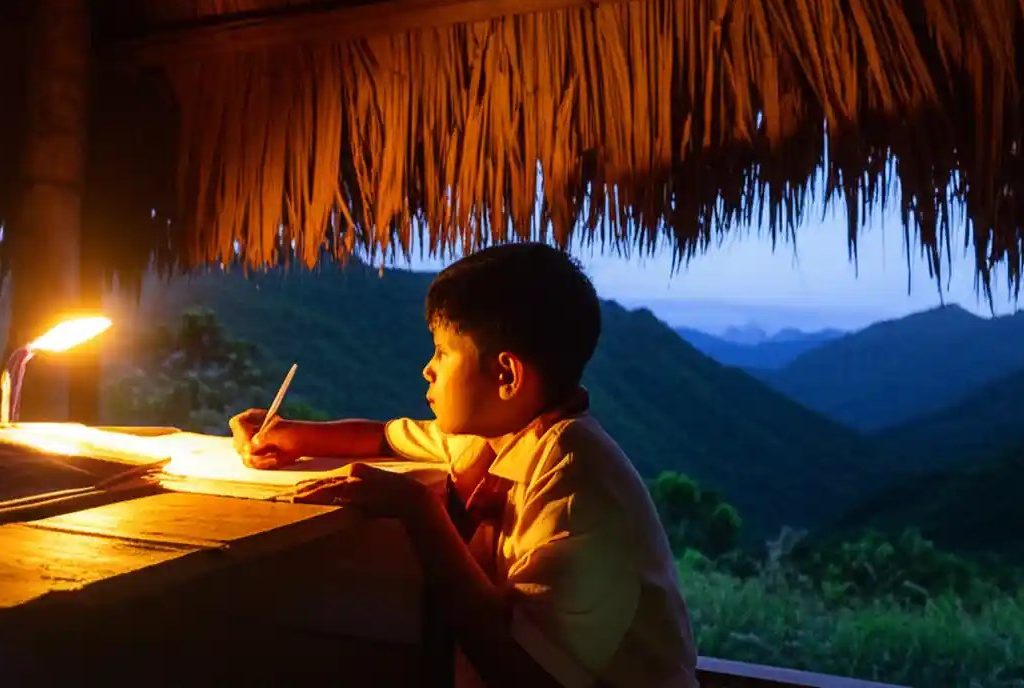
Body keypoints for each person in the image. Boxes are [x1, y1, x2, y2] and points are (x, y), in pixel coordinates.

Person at [229, 242, 698, 688]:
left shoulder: (575, 483)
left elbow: (527, 675)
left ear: (506, 375)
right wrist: (294, 433)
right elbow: (386, 436)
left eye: (442, 352)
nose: (427, 369)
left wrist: (420, 513)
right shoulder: (497, 438)